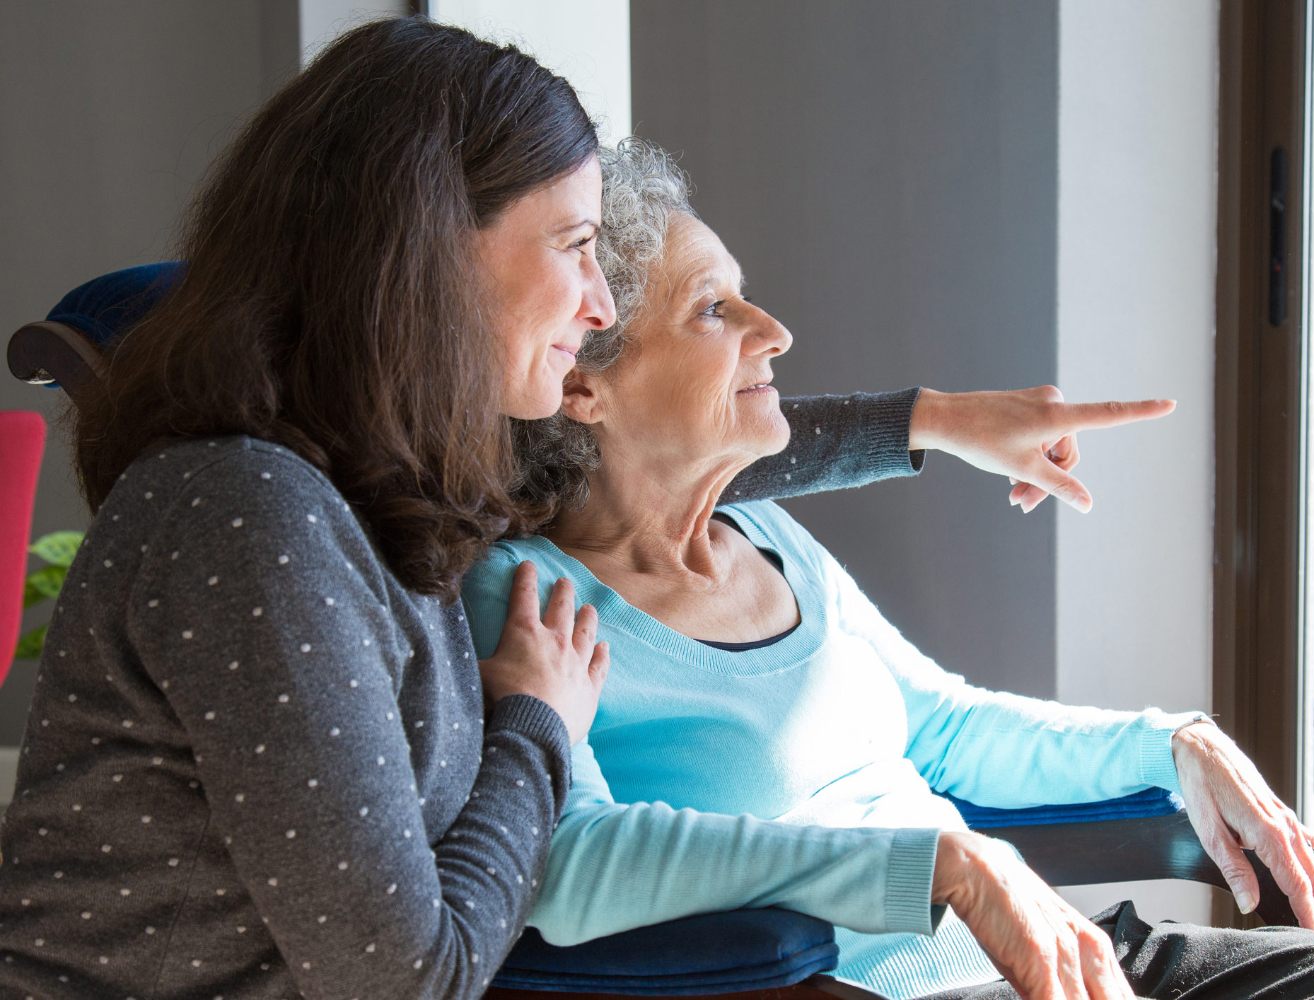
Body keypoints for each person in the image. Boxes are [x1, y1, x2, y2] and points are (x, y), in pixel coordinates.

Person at [0, 17, 1176, 1000]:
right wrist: (539, 730)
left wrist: (931, 422)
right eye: (570, 245)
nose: (598, 298)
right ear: (425, 253)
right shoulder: (252, 517)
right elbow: (405, 975)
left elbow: (655, 450)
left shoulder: (383, 490)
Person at [465, 138, 1314, 1000]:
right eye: (713, 309)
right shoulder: (526, 599)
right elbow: (571, 861)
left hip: (1077, 958)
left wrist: (1171, 742)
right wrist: (937, 861)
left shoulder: (768, 535)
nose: (774, 330)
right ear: (582, 385)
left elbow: (945, 728)